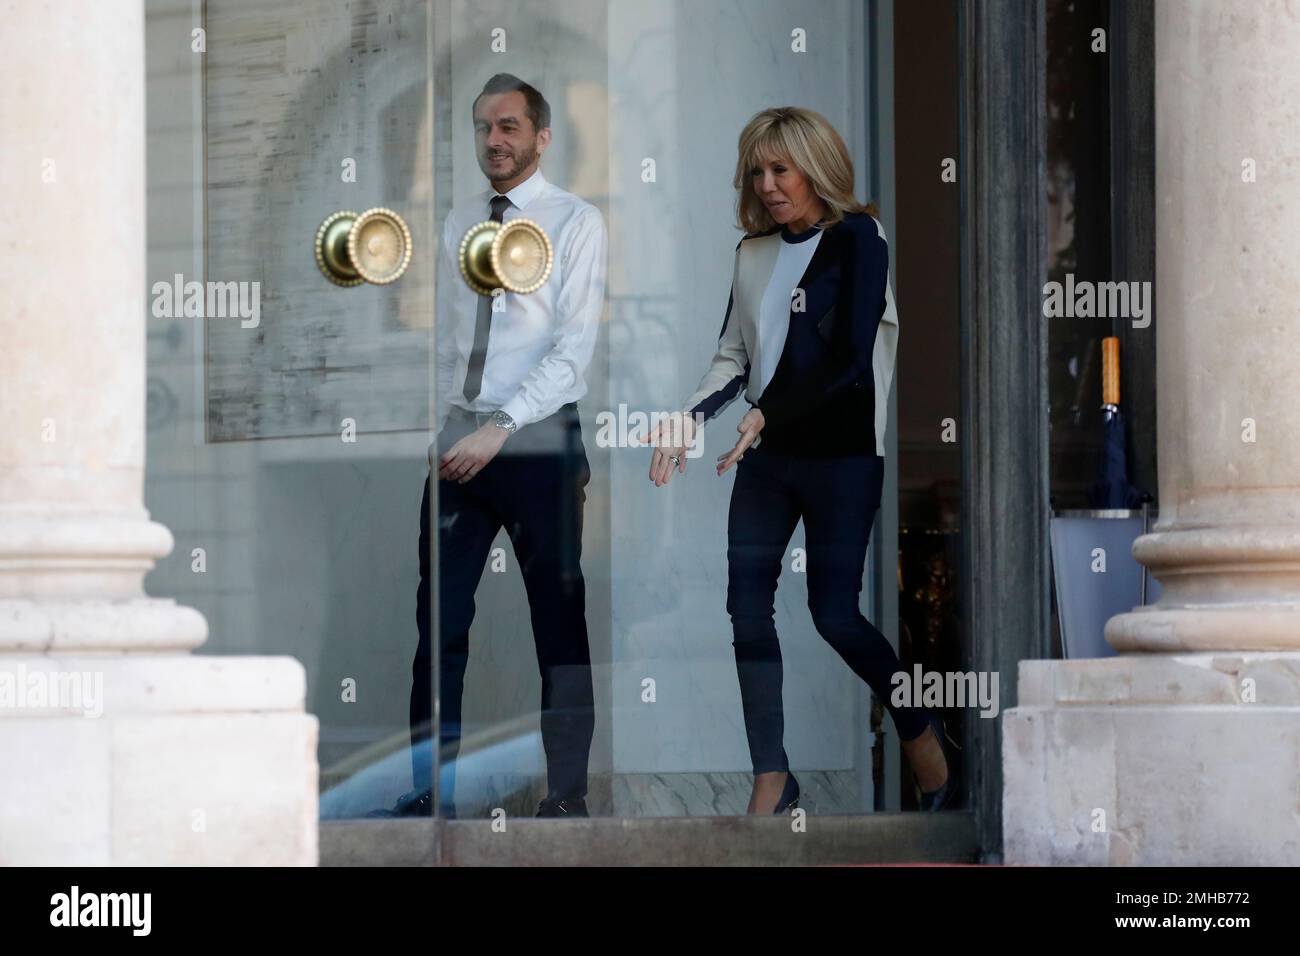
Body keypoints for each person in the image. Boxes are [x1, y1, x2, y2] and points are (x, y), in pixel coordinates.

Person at [643, 106, 956, 815]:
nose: (768, 183)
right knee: (746, 611)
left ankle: (920, 731)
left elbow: (849, 362)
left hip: (842, 456)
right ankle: (773, 779)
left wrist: (765, 412)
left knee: (835, 614)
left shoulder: (859, 240)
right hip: (766, 458)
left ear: (815, 168)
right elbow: (733, 355)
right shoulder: (752, 254)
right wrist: (687, 421)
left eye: (781, 168)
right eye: (758, 171)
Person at [393, 73, 607, 819]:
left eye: (510, 126)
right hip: (462, 437)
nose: (495, 140)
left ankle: (568, 797)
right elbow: (453, 346)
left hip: (538, 439)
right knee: (440, 626)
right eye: (485, 127)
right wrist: (450, 426)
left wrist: (501, 427)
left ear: (541, 137)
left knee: (558, 618)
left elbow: (572, 355)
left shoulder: (576, 223)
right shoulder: (458, 223)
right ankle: (429, 794)